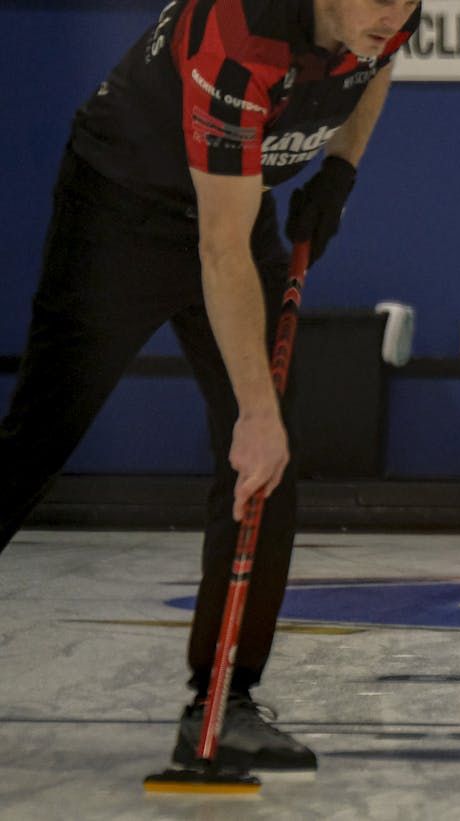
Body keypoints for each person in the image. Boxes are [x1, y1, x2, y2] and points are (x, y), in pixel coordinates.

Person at [0, 0, 422, 775]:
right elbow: (220, 250)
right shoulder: (239, 32)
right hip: (122, 205)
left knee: (269, 463)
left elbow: (378, 63)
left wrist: (340, 170)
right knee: (37, 437)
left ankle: (224, 701)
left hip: (237, 196)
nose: (395, 13)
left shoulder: (388, 13)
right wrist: (254, 413)